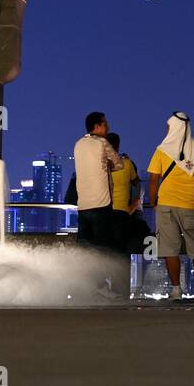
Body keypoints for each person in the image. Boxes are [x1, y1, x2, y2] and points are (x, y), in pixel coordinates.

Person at [147, 112, 194, 302]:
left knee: (170, 249)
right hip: (190, 205)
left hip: (166, 205)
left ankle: (175, 291)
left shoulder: (162, 150)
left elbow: (154, 180)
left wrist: (154, 201)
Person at [73, 112, 125, 298]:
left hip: (83, 205)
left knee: (86, 249)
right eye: (105, 124)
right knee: (102, 248)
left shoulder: (78, 144)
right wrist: (107, 165)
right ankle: (102, 287)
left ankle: (86, 287)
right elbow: (119, 164)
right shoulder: (102, 143)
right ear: (97, 126)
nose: (108, 127)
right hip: (101, 204)